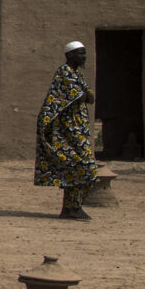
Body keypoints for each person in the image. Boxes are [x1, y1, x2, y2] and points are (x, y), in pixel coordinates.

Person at [36, 40, 99, 220]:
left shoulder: (77, 74)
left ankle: (71, 208)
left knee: (76, 167)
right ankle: (72, 207)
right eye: (81, 53)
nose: (84, 56)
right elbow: (79, 96)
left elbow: (90, 97)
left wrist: (86, 95)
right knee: (83, 165)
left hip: (77, 128)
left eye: (84, 52)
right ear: (70, 55)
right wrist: (85, 95)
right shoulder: (64, 72)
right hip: (65, 130)